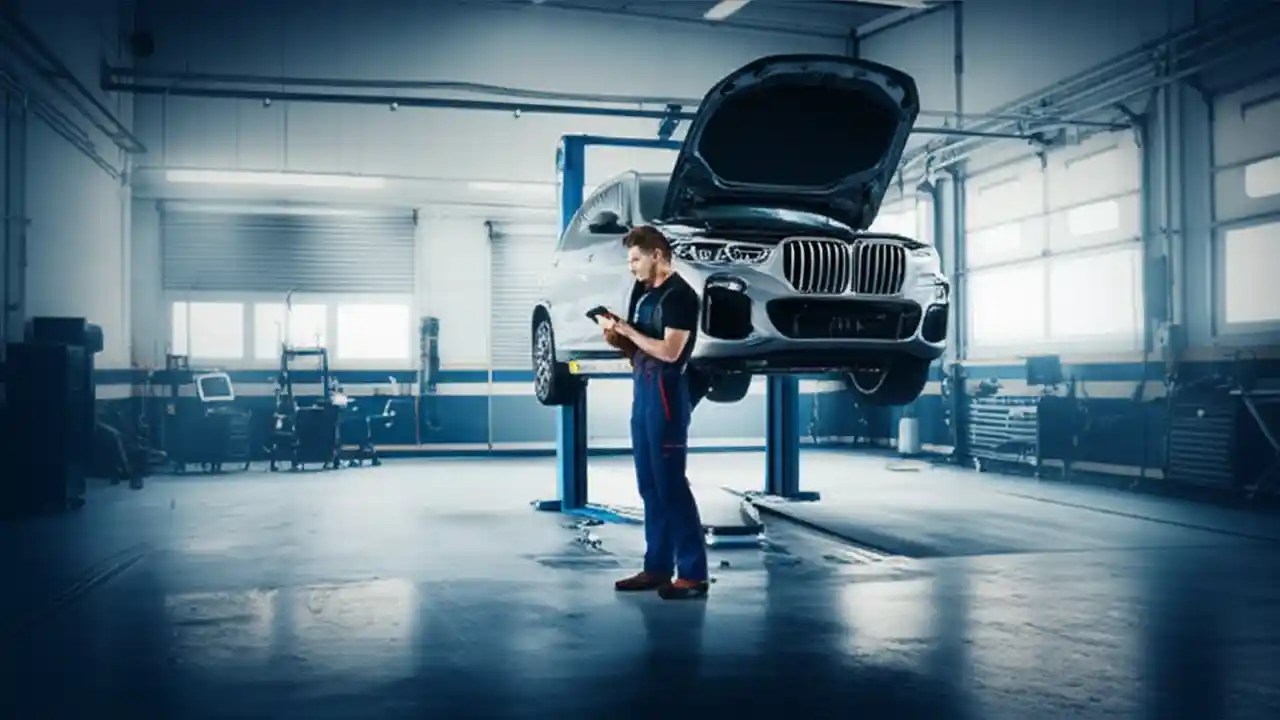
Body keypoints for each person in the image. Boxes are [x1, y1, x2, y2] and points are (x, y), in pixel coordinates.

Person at [596, 224, 709, 600]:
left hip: (667, 397)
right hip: (642, 393)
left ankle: (693, 575)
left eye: (635, 259)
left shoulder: (681, 296)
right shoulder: (642, 293)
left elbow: (670, 352)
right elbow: (639, 353)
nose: (631, 267)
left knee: (670, 484)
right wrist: (618, 339)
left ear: (656, 255)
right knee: (648, 485)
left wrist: (628, 331)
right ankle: (657, 567)